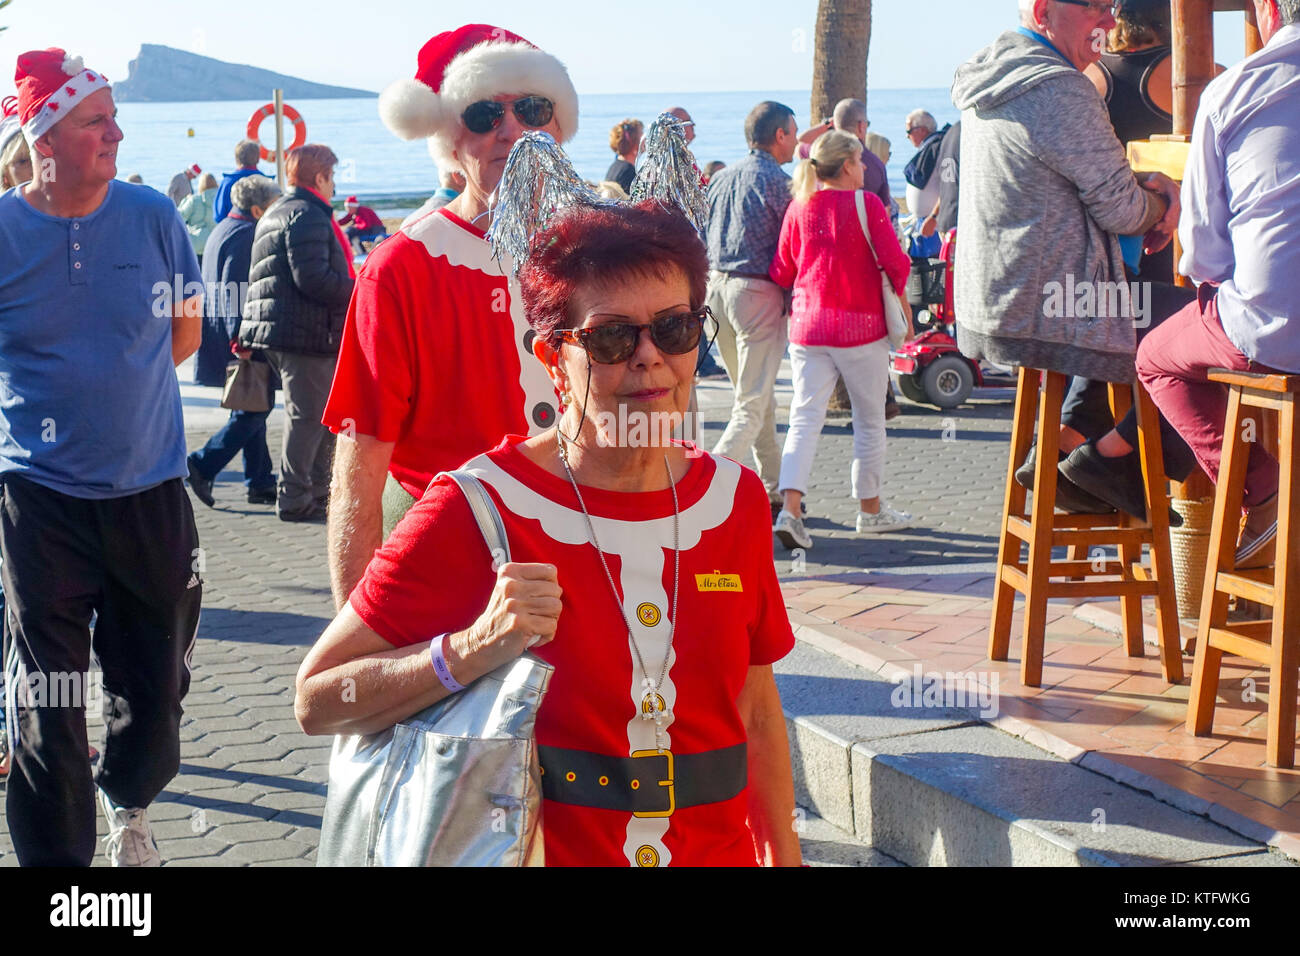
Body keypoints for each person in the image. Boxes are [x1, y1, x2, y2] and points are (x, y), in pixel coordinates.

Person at [295, 201, 803, 867]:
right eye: (613, 339)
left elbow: (757, 709)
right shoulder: (479, 508)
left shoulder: (733, 500)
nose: (650, 359)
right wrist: (468, 649)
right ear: (552, 360)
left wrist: (785, 853)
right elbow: (320, 699)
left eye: (675, 329)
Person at [0, 48, 203, 866]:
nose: (115, 131)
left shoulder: (153, 215)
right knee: (48, 701)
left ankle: (134, 804)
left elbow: (186, 331)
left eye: (115, 116)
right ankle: (64, 885)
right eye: (95, 121)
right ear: (44, 139)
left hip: (149, 491)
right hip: (38, 497)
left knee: (153, 694)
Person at [322, 23, 580, 609]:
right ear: (450, 141)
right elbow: (359, 468)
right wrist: (356, 634)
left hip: (591, 562)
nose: (511, 130)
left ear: (558, 127)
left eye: (533, 108)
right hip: (451, 575)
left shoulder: (606, 252)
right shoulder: (402, 268)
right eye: (484, 113)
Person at [952, 0, 1191, 516]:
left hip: (998, 303)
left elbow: (1072, 186)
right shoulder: (1059, 87)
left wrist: (1142, 192)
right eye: (1096, 9)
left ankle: (1060, 447)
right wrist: (1163, 200)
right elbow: (1124, 212)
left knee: (1131, 309)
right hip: (1060, 306)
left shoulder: (995, 75)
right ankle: (1112, 457)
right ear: (1044, 10)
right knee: (1208, 327)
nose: (1109, 22)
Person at [1120, 0, 1299, 568]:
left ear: (1268, 10)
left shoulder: (1232, 92)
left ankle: (1265, 492)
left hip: (1272, 333)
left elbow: (1204, 257)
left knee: (1154, 357)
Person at [769, 131, 916, 550]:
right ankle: (870, 511)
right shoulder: (866, 204)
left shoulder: (800, 205)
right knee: (869, 420)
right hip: (859, 331)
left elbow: (782, 269)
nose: (866, 168)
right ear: (848, 164)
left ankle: (791, 511)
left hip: (808, 328)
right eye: (861, 161)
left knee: (804, 418)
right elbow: (896, 264)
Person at [239, 143, 355, 522]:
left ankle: (317, 491)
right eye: (332, 176)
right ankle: (294, 497)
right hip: (304, 331)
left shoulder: (281, 210)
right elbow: (313, 279)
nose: (335, 184)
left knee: (316, 414)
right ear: (319, 177)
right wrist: (360, 288)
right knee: (307, 416)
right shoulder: (308, 215)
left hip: (283, 328)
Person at [705, 100, 799, 516]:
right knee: (751, 400)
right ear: (779, 136)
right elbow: (792, 247)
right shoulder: (781, 183)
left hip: (716, 291)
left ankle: (774, 485)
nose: (796, 142)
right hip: (756, 293)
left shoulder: (720, 179)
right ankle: (708, 485)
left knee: (755, 397)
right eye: (793, 133)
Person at [187, 174, 283, 507]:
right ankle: (202, 463)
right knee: (255, 409)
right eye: (272, 205)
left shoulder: (224, 228)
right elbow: (235, 289)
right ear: (258, 209)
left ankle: (259, 481)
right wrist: (240, 339)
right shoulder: (245, 236)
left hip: (223, 333)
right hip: (243, 336)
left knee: (250, 405)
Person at [797, 99, 893, 216]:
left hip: (823, 219)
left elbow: (799, 143)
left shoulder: (821, 153)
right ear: (861, 126)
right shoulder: (876, 164)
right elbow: (885, 213)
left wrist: (826, 124)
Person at [214, 138, 263, 223]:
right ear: (258, 159)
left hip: (235, 231)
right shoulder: (268, 182)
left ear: (237, 159)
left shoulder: (228, 183)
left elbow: (219, 215)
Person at [178, 170, 217, 265]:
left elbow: (179, 218)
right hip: (215, 242)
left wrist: (185, 200)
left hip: (196, 244)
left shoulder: (194, 200)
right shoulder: (221, 199)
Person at [606, 118, 643, 194]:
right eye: (641, 136)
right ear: (634, 143)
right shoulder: (629, 173)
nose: (645, 140)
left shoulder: (614, 166)